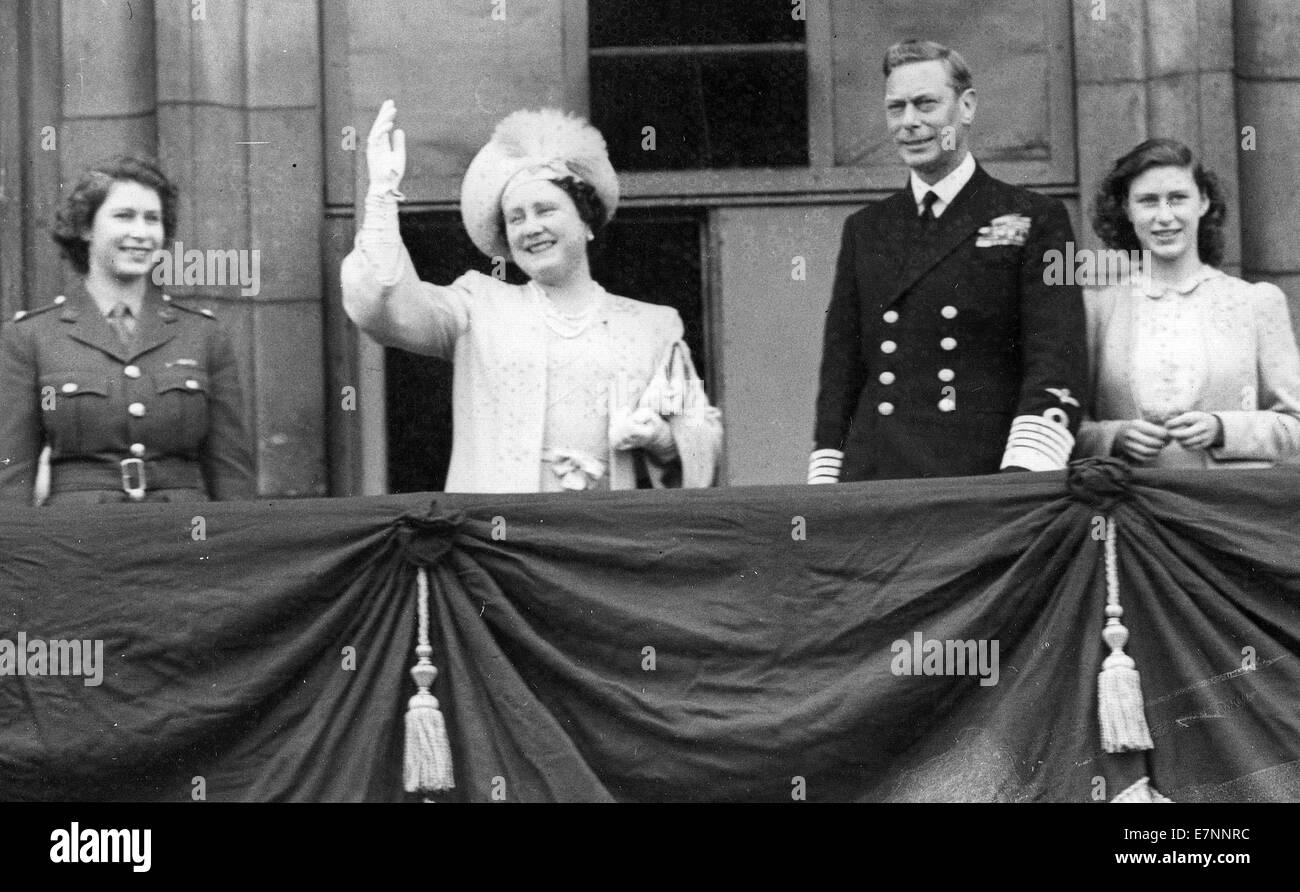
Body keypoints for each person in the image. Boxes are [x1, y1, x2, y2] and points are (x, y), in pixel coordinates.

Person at [341, 101, 722, 493]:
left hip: (606, 528)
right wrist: (381, 198)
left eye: (545, 210)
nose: (531, 227)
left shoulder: (651, 326)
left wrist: (662, 440)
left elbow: (700, 443)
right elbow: (384, 311)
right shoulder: (477, 306)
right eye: (516, 218)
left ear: (586, 220)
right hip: (499, 528)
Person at [809, 39, 1087, 483]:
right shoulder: (864, 229)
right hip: (875, 478)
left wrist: (1024, 473)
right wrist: (827, 478)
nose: (909, 122)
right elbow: (840, 371)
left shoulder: (1043, 218)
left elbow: (1060, 355)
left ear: (967, 106)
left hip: (981, 479)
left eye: (926, 104)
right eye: (896, 108)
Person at [0, 154, 254, 505]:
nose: (141, 233)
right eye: (124, 216)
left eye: (153, 219)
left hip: (184, 530)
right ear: (86, 228)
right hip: (80, 532)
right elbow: (11, 478)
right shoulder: (31, 338)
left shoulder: (204, 335)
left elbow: (231, 475)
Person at [1075, 138, 1300, 468]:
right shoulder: (1097, 309)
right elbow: (1068, 428)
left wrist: (1223, 429)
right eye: (1148, 201)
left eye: (1178, 198)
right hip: (1131, 496)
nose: (1164, 216)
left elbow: (1296, 424)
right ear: (1127, 209)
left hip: (1228, 497)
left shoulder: (1256, 302)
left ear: (1203, 202)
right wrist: (1114, 437)